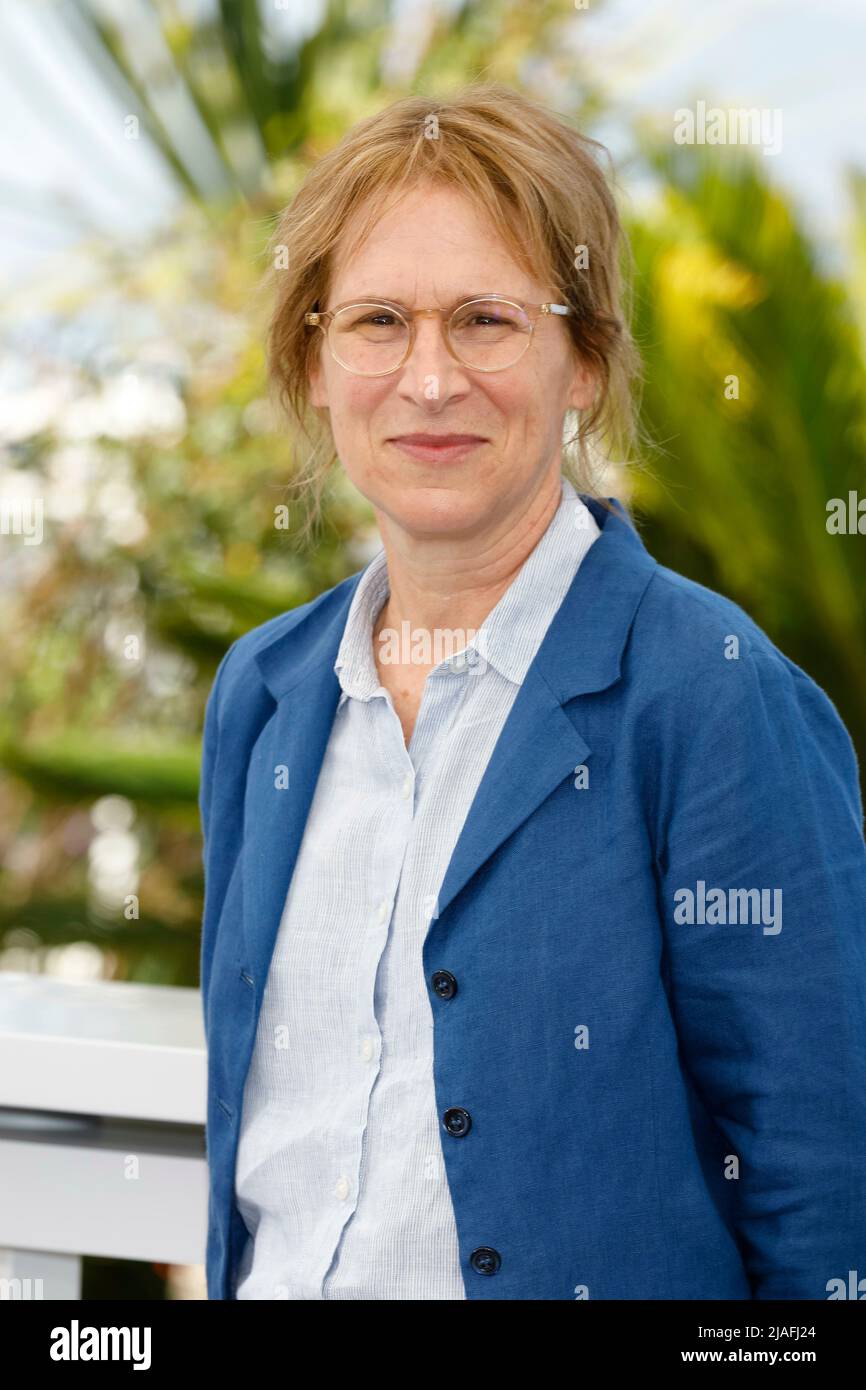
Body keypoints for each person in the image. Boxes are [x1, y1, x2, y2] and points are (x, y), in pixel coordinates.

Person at [198, 83, 866, 1300]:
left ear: (585, 361)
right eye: (377, 320)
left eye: (485, 320)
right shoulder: (264, 692)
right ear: (312, 361)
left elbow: (823, 1178)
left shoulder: (709, 696)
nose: (428, 379)